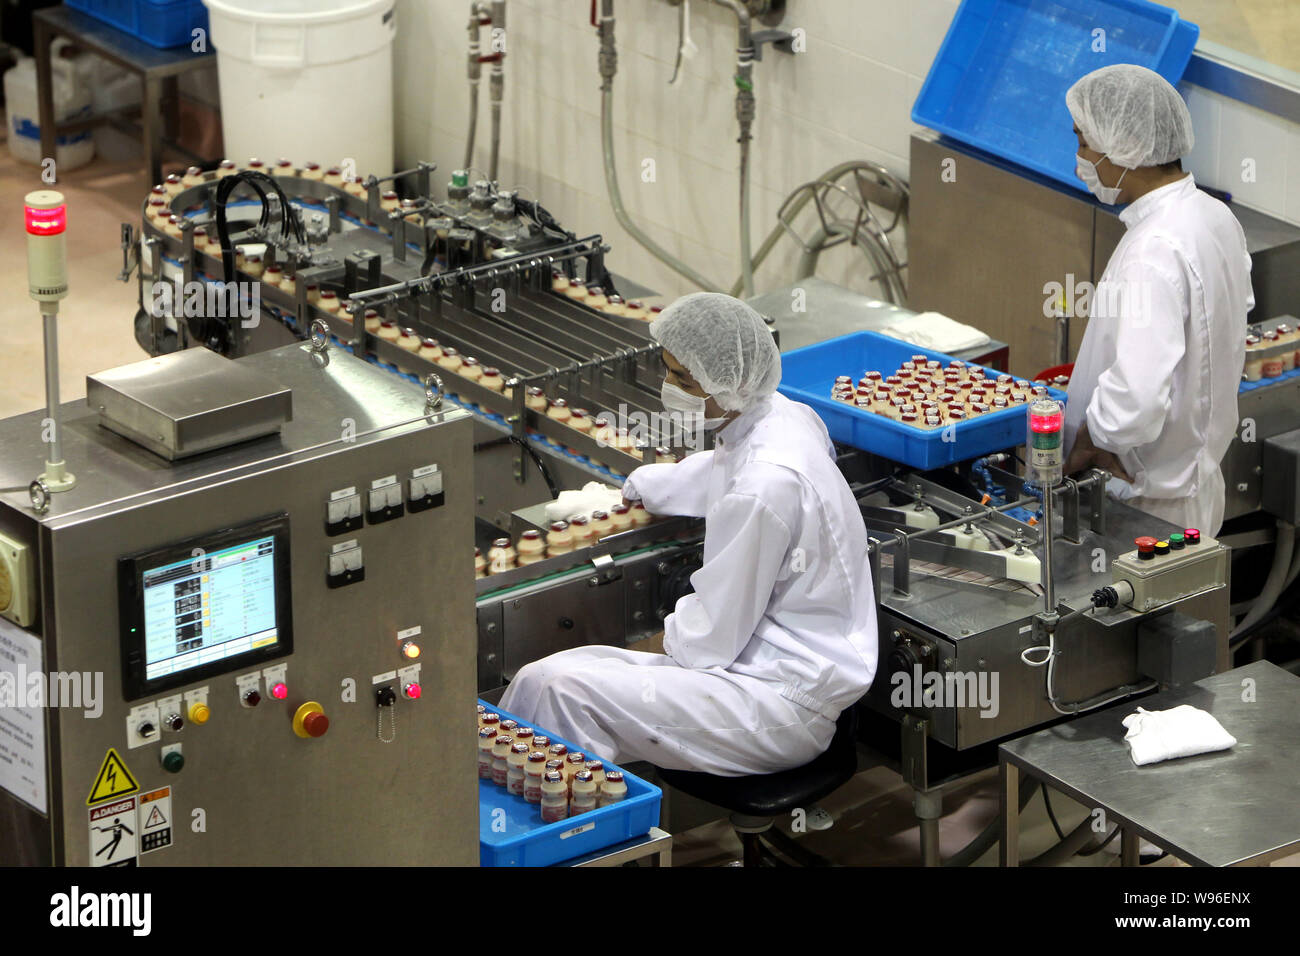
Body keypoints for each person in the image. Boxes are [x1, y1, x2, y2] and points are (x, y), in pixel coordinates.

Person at [499, 293, 877, 776]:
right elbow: (726, 466)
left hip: (780, 702)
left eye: (682, 378)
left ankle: (565, 838)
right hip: (765, 662)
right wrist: (639, 489)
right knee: (541, 680)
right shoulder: (782, 415)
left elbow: (709, 639)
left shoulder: (764, 485)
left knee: (561, 690)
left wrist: (629, 654)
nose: (668, 386)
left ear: (734, 380)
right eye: (668, 370)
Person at [1062, 64, 1254, 535]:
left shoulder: (1154, 250)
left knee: (1139, 609)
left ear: (1124, 147)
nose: (1079, 159)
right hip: (1191, 486)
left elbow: (1137, 396)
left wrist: (1091, 439)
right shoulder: (1211, 215)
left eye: (1084, 142)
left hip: (1141, 502)